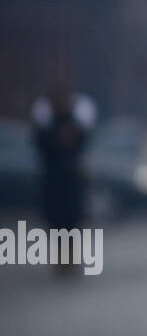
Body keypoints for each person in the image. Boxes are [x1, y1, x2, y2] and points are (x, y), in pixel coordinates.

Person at [31, 87, 92, 276]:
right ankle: (60, 262)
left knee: (71, 225)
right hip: (54, 186)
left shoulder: (76, 126)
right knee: (56, 226)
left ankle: (70, 261)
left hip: (71, 186)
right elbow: (40, 146)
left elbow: (84, 142)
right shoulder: (47, 128)